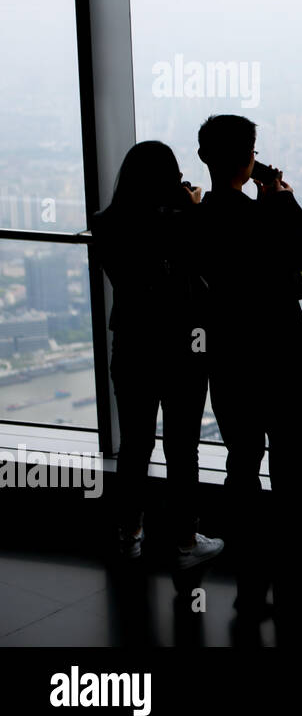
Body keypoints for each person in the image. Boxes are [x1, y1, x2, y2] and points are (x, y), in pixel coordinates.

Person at [195, 114, 302, 617]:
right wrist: (285, 201)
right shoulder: (266, 215)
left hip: (228, 357)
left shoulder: (196, 220)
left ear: (204, 158)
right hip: (282, 355)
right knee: (292, 465)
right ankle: (295, 558)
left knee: (241, 462)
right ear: (251, 160)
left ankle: (246, 556)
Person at [89, 141, 224, 569]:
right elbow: (205, 262)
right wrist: (193, 210)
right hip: (183, 344)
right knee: (182, 445)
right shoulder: (182, 221)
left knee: (134, 444)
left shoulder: (108, 224)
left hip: (130, 342)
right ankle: (185, 540)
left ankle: (128, 534)